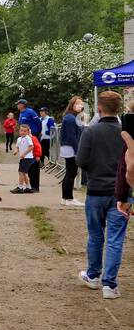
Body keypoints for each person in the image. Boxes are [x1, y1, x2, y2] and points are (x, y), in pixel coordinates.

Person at [76, 89, 127, 298]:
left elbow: (81, 160)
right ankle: (110, 285)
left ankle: (93, 275)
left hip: (96, 190)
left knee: (96, 235)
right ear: (119, 109)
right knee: (116, 239)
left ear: (99, 108)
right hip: (120, 192)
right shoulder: (127, 132)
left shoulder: (90, 132)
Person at [60, 96, 83, 208]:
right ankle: (68, 198)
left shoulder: (72, 117)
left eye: (81, 103)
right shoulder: (70, 118)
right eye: (78, 103)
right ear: (72, 105)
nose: (81, 105)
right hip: (70, 148)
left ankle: (65, 198)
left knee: (70, 172)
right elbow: (72, 136)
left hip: (68, 147)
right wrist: (77, 150)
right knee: (71, 172)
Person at [17, 100, 42, 192]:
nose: (17, 106)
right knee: (27, 167)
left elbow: (38, 122)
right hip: (25, 138)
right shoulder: (21, 113)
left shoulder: (30, 112)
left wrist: (36, 133)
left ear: (23, 105)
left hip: (32, 136)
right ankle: (28, 186)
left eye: (19, 104)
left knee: (34, 164)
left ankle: (35, 187)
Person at [13, 125, 36, 192]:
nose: (23, 132)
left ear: (28, 132)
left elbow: (31, 147)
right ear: (19, 131)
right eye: (21, 130)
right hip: (22, 158)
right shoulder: (19, 139)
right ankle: (29, 187)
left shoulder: (28, 138)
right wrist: (16, 151)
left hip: (28, 158)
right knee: (24, 173)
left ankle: (20, 187)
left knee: (21, 172)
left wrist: (24, 153)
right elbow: (17, 147)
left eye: (25, 131)